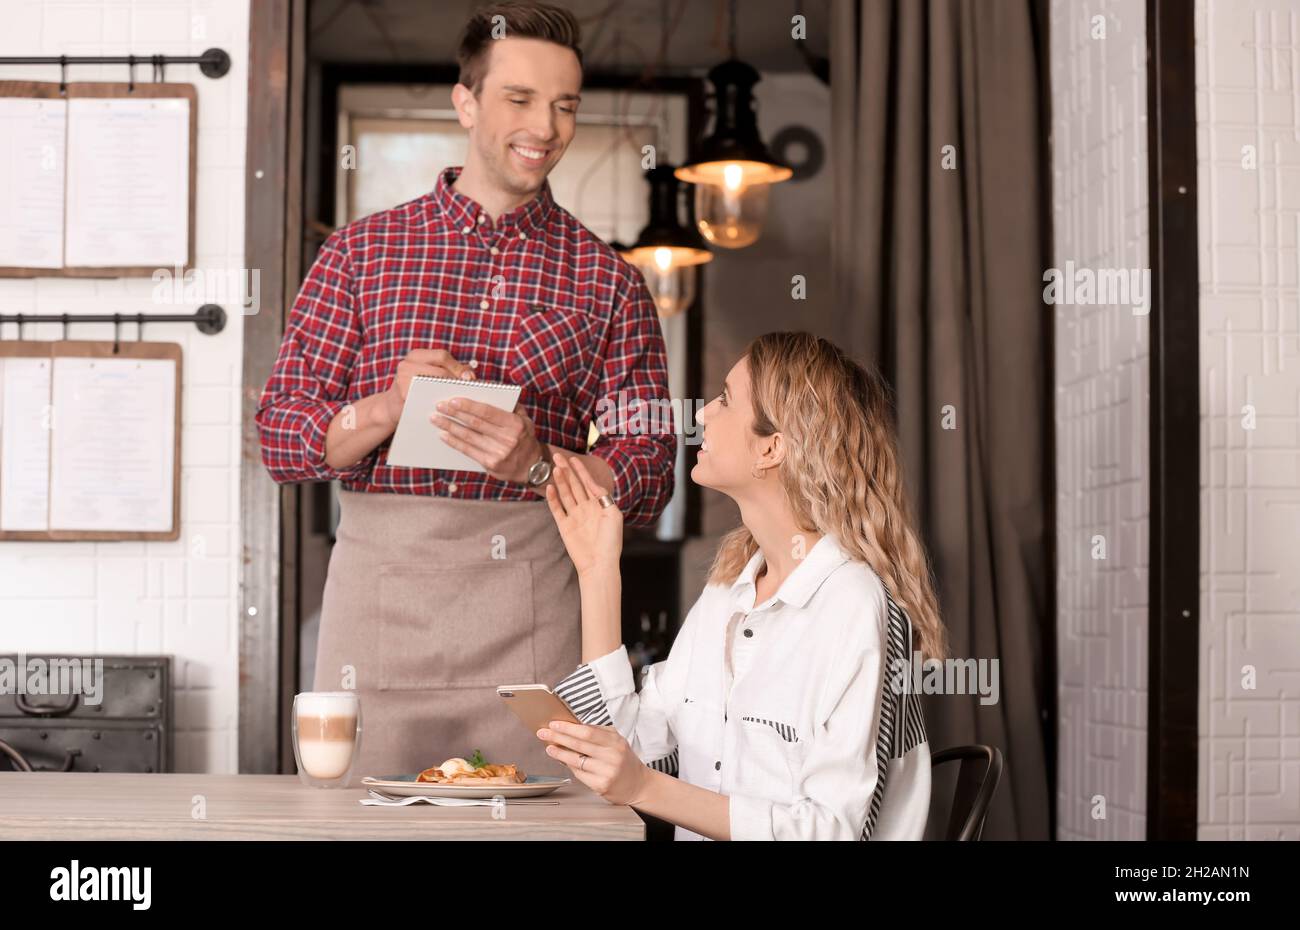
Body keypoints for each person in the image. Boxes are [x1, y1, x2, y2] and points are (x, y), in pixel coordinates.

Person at [254, 1, 675, 779]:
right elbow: (281, 438)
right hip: (377, 614)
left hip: (535, 618)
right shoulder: (358, 255)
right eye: (520, 99)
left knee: (543, 825)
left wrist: (543, 464)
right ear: (467, 101)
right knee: (357, 830)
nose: (545, 127)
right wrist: (384, 406)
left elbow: (650, 470)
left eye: (565, 105)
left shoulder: (609, 283)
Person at [542, 332, 947, 839]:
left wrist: (644, 787)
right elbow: (629, 748)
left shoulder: (854, 605)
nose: (703, 413)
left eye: (726, 399)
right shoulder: (727, 591)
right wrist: (598, 572)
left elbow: (829, 831)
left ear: (772, 448)